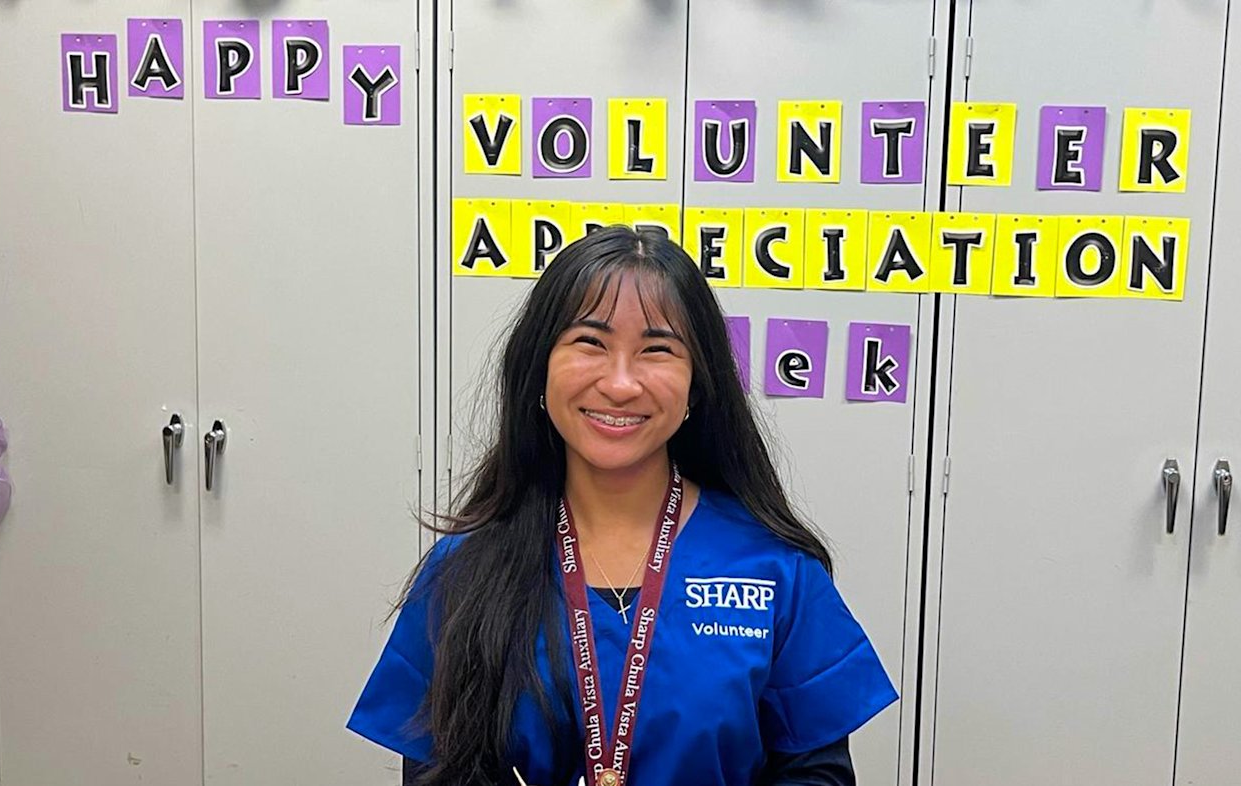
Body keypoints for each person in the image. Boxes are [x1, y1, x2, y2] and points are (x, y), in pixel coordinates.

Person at [347, 226, 898, 785]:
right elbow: (432, 771)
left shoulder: (773, 569)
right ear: (540, 367)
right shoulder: (466, 570)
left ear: (696, 383)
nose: (620, 383)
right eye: (590, 342)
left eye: (657, 350)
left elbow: (817, 773)